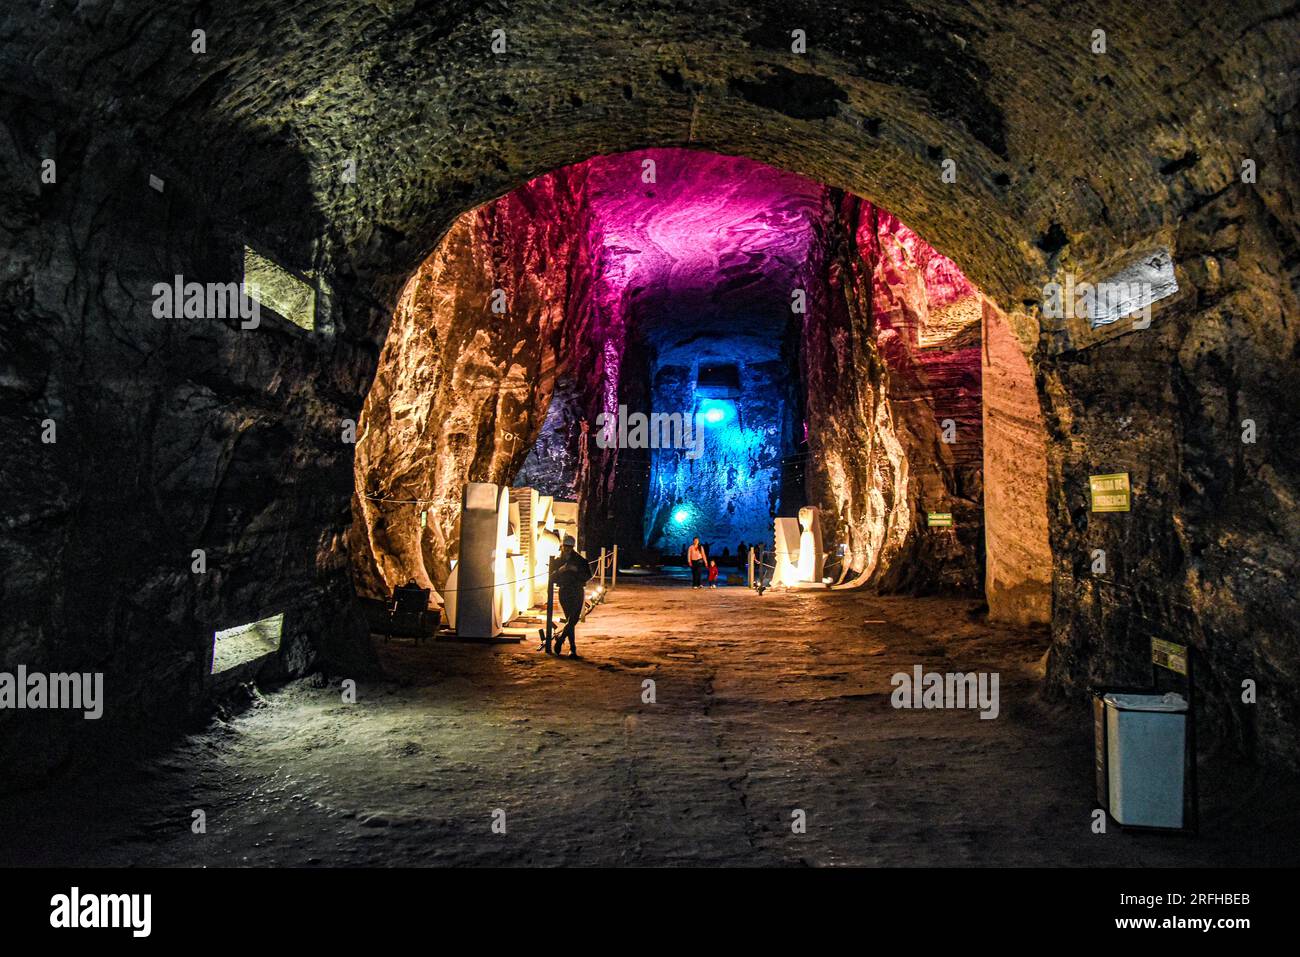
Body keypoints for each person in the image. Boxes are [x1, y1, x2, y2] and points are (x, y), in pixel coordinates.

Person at [549, 535, 591, 657]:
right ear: (562, 546)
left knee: (573, 618)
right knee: (570, 619)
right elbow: (551, 578)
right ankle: (572, 648)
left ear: (572, 547)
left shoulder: (580, 560)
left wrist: (576, 570)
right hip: (564, 591)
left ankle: (561, 640)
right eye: (565, 546)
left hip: (577, 590)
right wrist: (560, 570)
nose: (567, 549)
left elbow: (587, 576)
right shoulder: (557, 561)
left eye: (569, 547)